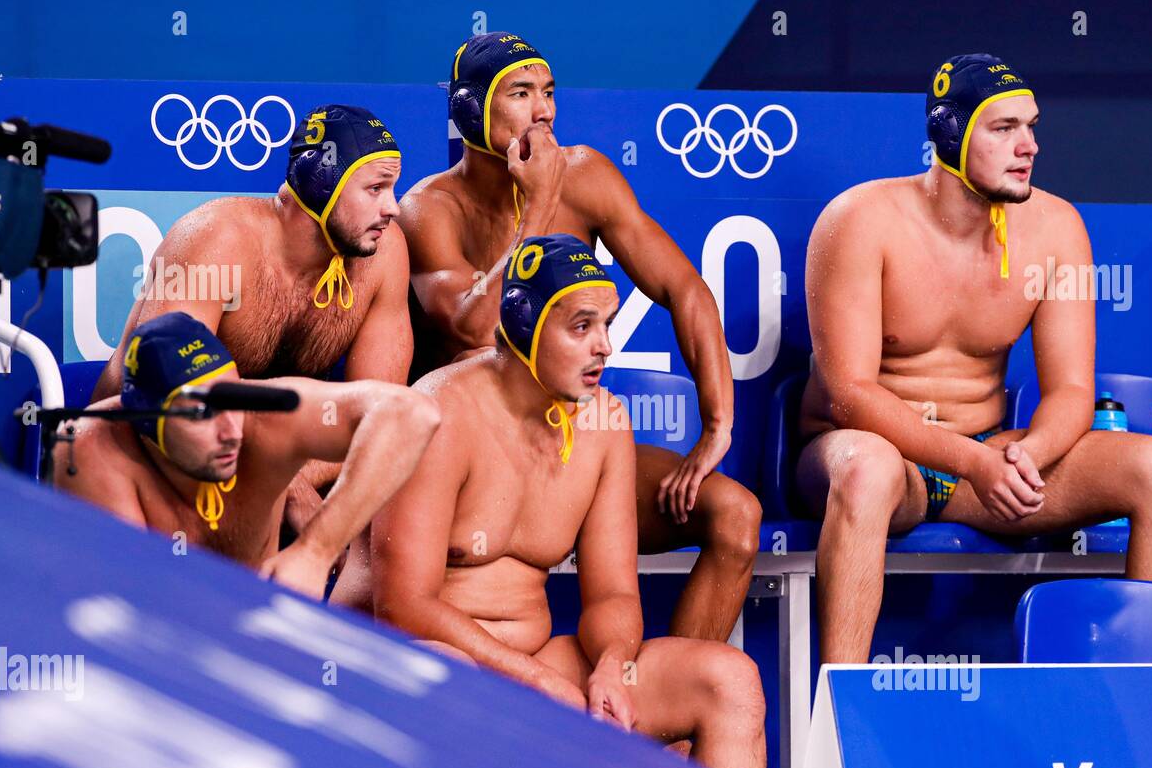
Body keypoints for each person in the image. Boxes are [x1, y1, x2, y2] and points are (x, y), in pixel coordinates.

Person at [797, 54, 1152, 663]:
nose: (1028, 146)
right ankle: (836, 711)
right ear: (953, 135)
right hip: (870, 454)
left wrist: (1023, 459)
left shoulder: (1057, 229)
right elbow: (848, 392)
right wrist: (974, 464)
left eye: (1032, 127)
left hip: (984, 455)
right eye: (1004, 128)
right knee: (868, 468)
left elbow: (1069, 390)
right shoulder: (859, 220)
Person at [363, 235, 766, 768]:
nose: (604, 346)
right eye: (582, 327)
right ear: (525, 327)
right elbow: (402, 608)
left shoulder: (603, 424)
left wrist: (611, 666)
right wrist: (531, 681)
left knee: (729, 680)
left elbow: (613, 597)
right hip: (444, 668)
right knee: (439, 675)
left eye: (608, 324)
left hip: (541, 664)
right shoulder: (437, 414)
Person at [397, 32, 760, 642]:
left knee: (735, 518)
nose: (543, 110)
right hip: (477, 461)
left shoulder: (588, 177)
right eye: (520, 93)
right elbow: (480, 329)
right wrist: (537, 205)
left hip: (572, 447)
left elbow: (687, 290)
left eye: (548, 92)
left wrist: (718, 423)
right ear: (470, 112)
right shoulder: (430, 208)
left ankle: (657, 713)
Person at [92, 104, 414, 530]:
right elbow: (164, 389)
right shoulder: (216, 238)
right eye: (375, 189)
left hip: (252, 464)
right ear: (323, 185)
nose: (392, 208)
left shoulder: (384, 253)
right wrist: (280, 480)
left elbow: (377, 412)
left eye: (393, 189)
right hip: (146, 452)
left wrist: (288, 477)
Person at [58, 312, 439, 600]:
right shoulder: (92, 448)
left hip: (258, 636)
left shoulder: (265, 418)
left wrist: (315, 550)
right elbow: (135, 608)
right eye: (201, 414)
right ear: (146, 424)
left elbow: (414, 414)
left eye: (233, 400)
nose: (232, 432)